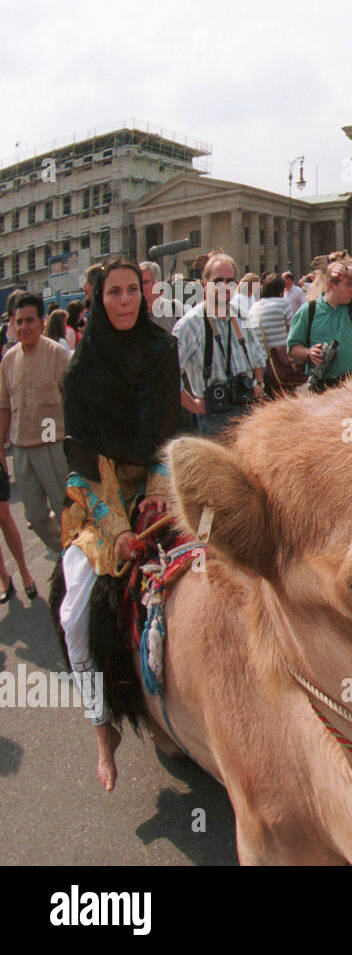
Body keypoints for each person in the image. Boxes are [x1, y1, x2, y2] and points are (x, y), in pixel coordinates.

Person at [59, 258, 183, 790]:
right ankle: (101, 726)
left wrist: (156, 500)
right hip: (99, 501)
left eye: (134, 290)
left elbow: (167, 436)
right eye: (115, 292)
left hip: (159, 487)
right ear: (97, 298)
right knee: (73, 615)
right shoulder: (80, 372)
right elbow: (88, 464)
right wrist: (119, 531)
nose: (127, 300)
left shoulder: (163, 349)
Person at [0, 290, 71, 556]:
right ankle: (67, 552)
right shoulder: (8, 360)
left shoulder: (56, 354)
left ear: (42, 322)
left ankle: (76, 563)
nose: (23, 327)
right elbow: (4, 407)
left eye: (29, 320)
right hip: (21, 449)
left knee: (65, 511)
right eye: (18, 322)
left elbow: (72, 401)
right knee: (36, 516)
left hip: (51, 445)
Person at [173, 253, 266, 435]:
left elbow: (258, 355)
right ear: (205, 284)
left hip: (248, 409)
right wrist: (193, 405)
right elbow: (169, 374)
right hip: (214, 416)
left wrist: (259, 384)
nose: (224, 286)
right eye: (218, 281)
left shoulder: (242, 316)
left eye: (229, 280)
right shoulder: (190, 325)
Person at [286, 258, 352, 389]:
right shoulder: (308, 311)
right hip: (324, 387)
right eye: (348, 285)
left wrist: (345, 270)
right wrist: (309, 352)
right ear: (331, 286)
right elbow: (293, 349)